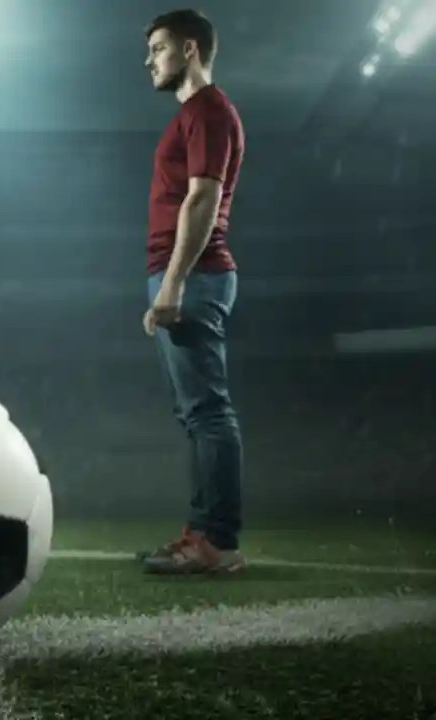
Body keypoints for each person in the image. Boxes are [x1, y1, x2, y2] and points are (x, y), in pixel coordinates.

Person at [137, 9, 247, 574]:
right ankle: (202, 532)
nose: (149, 60)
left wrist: (174, 282)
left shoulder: (209, 110)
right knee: (197, 415)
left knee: (208, 413)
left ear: (188, 49)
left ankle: (218, 543)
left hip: (195, 273)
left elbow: (202, 198)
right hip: (183, 272)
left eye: (157, 48)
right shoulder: (192, 116)